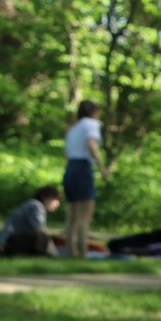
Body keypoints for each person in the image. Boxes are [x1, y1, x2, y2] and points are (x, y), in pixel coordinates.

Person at [63, 99, 111, 258]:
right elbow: (91, 144)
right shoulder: (91, 124)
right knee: (84, 216)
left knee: (72, 216)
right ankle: (83, 252)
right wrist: (102, 167)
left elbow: (66, 153)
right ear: (94, 112)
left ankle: (71, 251)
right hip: (82, 168)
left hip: (70, 168)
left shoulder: (73, 127)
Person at [0, 184, 61, 257]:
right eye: (55, 199)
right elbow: (40, 229)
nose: (57, 203)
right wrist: (54, 252)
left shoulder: (34, 205)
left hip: (11, 238)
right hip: (14, 239)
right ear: (44, 197)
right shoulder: (37, 206)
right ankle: (39, 255)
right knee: (43, 235)